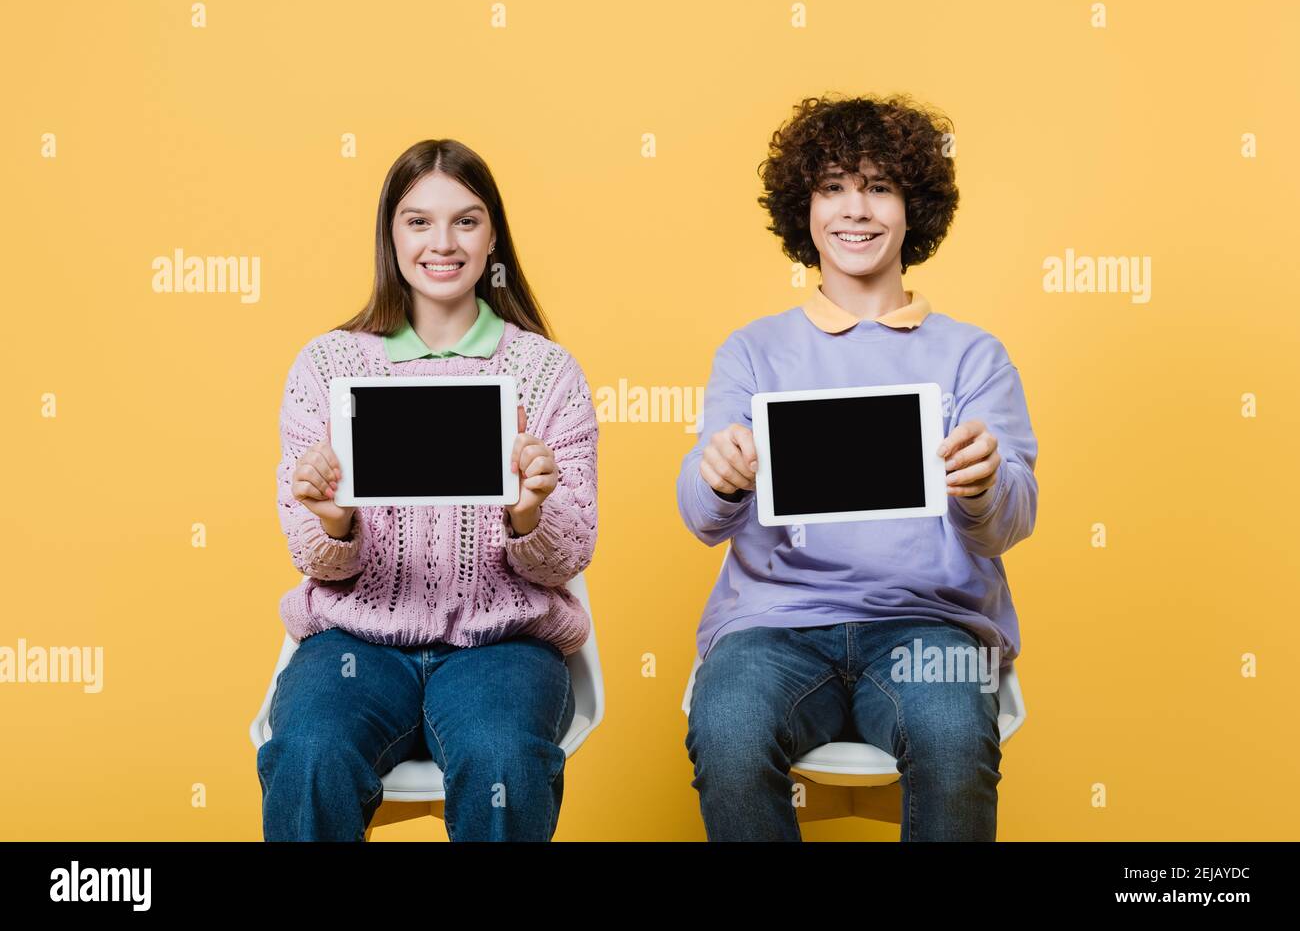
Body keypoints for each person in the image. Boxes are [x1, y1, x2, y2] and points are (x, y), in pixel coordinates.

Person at [678, 94, 1039, 841]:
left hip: (930, 624)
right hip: (773, 627)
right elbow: (700, 516)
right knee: (729, 730)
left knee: (953, 740)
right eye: (834, 186)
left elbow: (1013, 516)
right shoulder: (752, 351)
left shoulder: (973, 355)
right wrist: (718, 476)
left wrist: (981, 485)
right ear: (803, 208)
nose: (857, 209)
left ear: (914, 208)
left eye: (880, 187)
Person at [256, 139, 598, 841]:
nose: (442, 242)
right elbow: (311, 552)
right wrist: (335, 524)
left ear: (493, 233)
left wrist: (528, 512)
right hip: (357, 642)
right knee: (308, 752)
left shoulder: (547, 371)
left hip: (501, 644)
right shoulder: (327, 365)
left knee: (502, 759)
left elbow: (568, 557)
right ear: (390, 233)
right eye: (418, 221)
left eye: (465, 221)